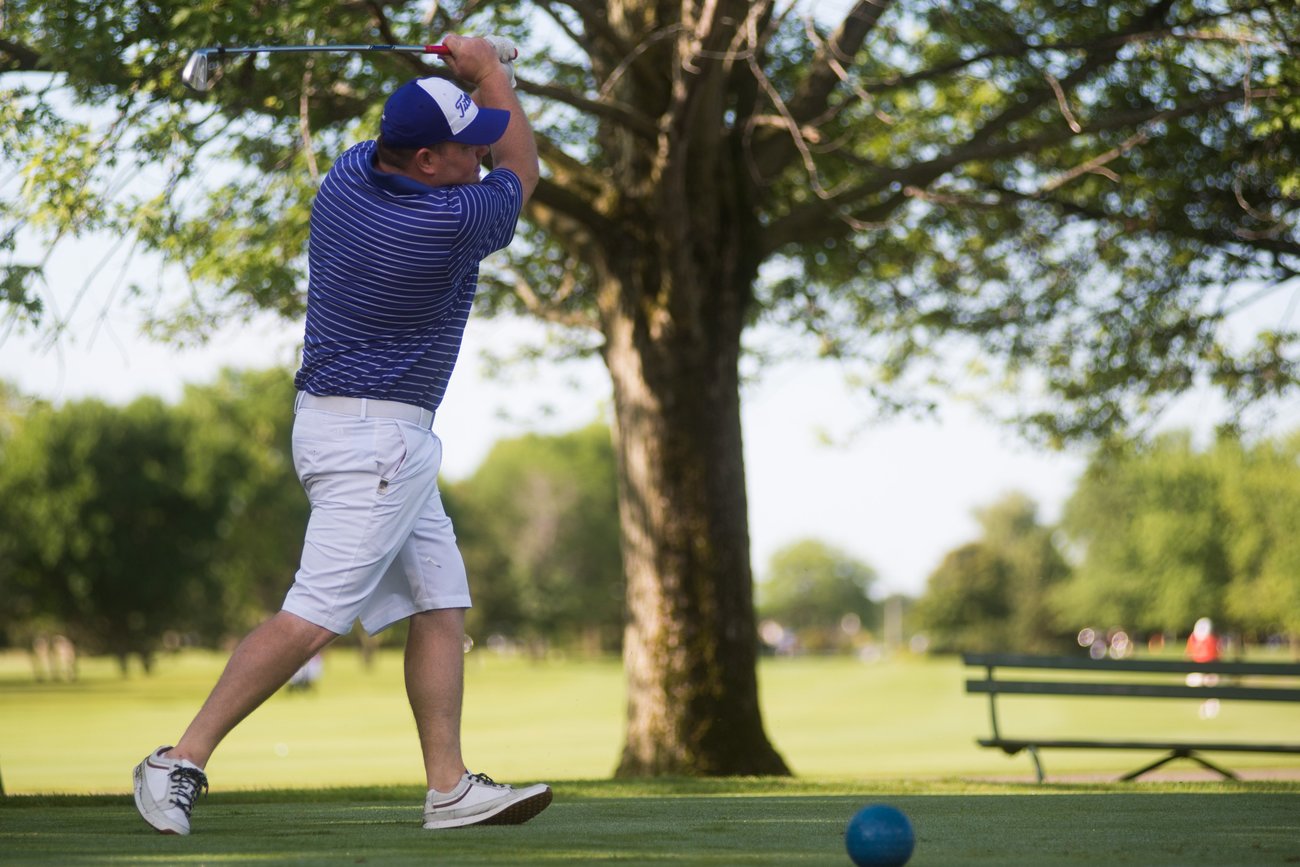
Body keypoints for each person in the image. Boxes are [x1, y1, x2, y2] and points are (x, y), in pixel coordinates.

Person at [132, 34, 548, 836]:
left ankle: (450, 787)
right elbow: (523, 171)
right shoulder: (451, 219)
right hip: (374, 444)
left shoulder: (351, 175)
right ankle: (178, 759)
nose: (481, 153)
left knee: (441, 601)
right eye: (466, 146)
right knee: (313, 615)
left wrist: (460, 88)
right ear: (427, 161)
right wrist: (488, 68)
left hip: (352, 428)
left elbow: (476, 145)